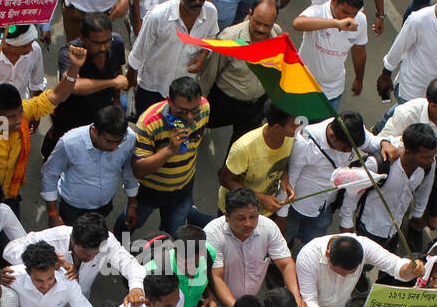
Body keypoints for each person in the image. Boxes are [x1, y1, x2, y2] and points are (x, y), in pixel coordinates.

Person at [0, 46, 88, 214]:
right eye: (10, 117)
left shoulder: (27, 108)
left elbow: (58, 96)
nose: (18, 120)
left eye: (18, 114)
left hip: (8, 195)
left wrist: (74, 68)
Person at [299, 233, 418, 307]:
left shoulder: (364, 246)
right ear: (328, 254)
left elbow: (394, 265)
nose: (345, 277)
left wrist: (410, 269)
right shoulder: (308, 256)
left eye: (350, 274)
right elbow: (309, 300)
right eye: (339, 272)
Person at [127, 0, 217, 115]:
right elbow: (138, 53)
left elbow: (212, 37)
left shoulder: (211, 12)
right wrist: (130, 80)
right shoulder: (157, 16)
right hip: (153, 87)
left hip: (184, 91)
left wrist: (204, 54)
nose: (197, 2)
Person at [130, 76, 212, 232]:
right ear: (169, 101)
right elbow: (138, 169)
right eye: (182, 111)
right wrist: (169, 150)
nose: (189, 117)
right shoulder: (149, 123)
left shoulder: (205, 108)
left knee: (174, 230)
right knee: (132, 222)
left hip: (184, 187)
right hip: (150, 191)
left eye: (194, 110)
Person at [197, 0, 282, 146]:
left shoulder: (277, 34)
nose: (261, 29)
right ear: (250, 14)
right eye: (257, 22)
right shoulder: (229, 39)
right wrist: (198, 104)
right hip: (224, 102)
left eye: (267, 25)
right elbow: (210, 73)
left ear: (274, 21)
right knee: (198, 128)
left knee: (239, 149)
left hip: (255, 106)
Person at [5, 213, 147, 302]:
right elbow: (11, 249)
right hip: (43, 300)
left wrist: (136, 288)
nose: (92, 258)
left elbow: (131, 265)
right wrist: (45, 258)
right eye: (86, 254)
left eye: (96, 254)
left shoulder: (107, 242)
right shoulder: (54, 237)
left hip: (78, 301)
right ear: (73, 239)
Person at [206, 188, 304, 307]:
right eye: (241, 218)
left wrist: (295, 296)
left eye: (253, 217)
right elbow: (216, 277)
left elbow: (286, 264)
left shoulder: (269, 228)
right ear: (226, 217)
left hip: (249, 305)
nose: (248, 223)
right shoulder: (212, 235)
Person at [342, 123, 437, 254]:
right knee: (362, 264)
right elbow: (352, 192)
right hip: (370, 227)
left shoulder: (429, 164)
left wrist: (418, 214)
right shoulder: (379, 164)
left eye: (433, 156)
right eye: (426, 157)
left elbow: (425, 189)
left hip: (394, 229)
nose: (432, 160)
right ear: (409, 151)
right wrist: (347, 225)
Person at [40, 106, 139, 229]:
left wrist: (132, 204)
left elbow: (129, 172)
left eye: (119, 141)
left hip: (104, 206)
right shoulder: (70, 142)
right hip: (73, 209)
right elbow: (49, 174)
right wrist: (53, 214)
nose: (115, 147)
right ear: (94, 130)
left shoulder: (129, 138)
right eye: (109, 141)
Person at [42, 13, 126, 156]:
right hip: (72, 114)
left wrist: (116, 100)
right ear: (83, 39)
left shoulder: (117, 43)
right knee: (58, 150)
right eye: (97, 43)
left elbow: (117, 70)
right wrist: (111, 83)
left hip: (101, 112)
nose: (103, 48)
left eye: (107, 41)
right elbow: (75, 86)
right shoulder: (69, 52)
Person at [283, 112, 363, 246]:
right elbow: (289, 180)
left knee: (314, 246)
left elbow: (372, 142)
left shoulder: (353, 134)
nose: (349, 152)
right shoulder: (304, 143)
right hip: (296, 206)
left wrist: (384, 143)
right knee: (283, 243)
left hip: (324, 207)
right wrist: (281, 216)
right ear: (332, 137)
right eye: (345, 148)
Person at [216, 104, 300, 226]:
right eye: (294, 125)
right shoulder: (244, 148)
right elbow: (226, 180)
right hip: (238, 212)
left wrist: (285, 179)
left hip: (265, 211)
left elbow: (284, 161)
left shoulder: (291, 137)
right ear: (277, 127)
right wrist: (261, 198)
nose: (299, 127)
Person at [292, 0, 368, 113]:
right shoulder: (317, 12)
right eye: (345, 12)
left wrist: (359, 79)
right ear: (334, 0)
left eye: (353, 14)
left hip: (332, 93)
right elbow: (298, 23)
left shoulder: (361, 20)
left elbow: (359, 51)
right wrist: (335, 23)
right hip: (303, 87)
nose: (350, 18)